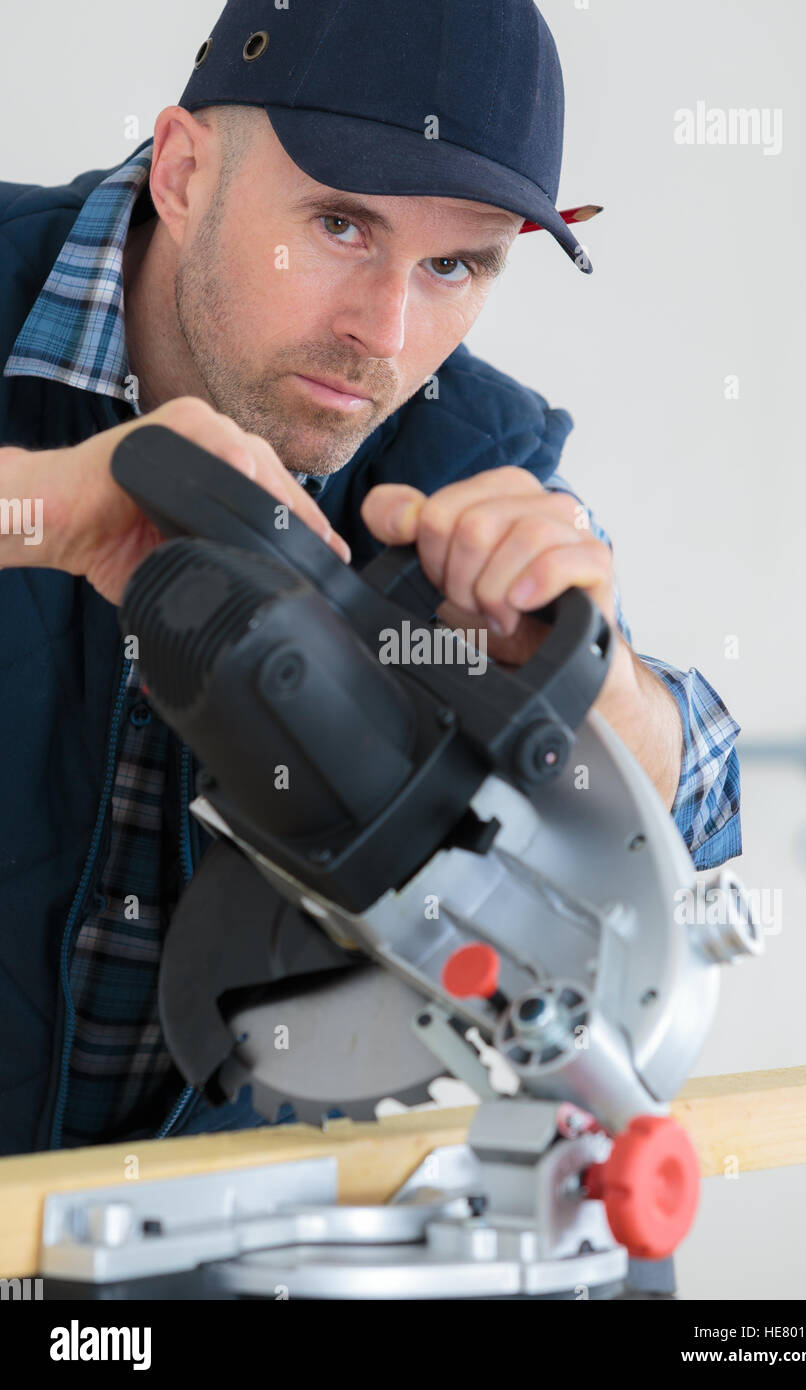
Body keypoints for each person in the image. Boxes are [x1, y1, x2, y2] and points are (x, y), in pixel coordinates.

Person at [0, 0, 740, 1234]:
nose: (384, 338)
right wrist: (50, 507)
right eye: (340, 225)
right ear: (183, 171)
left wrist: (579, 682)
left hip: (188, 1251)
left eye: (456, 265)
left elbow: (695, 814)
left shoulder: (469, 454)